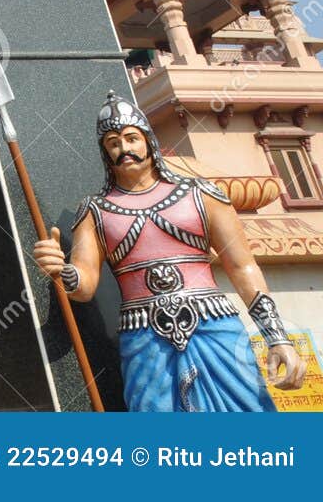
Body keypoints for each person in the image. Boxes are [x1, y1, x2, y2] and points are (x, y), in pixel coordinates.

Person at [33, 91, 304, 411]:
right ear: (105, 153)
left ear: (148, 140)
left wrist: (276, 337)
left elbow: (242, 266)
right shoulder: (94, 211)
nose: (124, 149)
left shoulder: (201, 193)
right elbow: (86, 284)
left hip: (215, 327)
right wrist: (60, 271)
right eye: (113, 143)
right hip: (144, 338)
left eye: (131, 139)